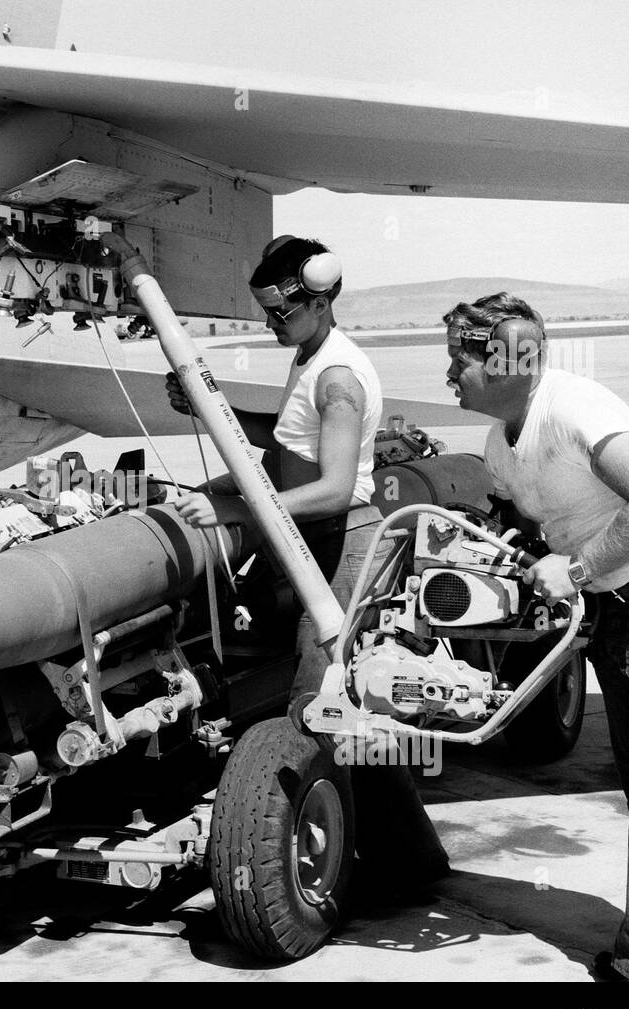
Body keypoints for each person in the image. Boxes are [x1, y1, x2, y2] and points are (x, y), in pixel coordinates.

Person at [443, 292, 629, 982]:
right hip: (622, 608)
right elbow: (532, 527)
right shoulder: (500, 441)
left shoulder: (576, 406)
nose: (449, 374)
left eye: (460, 358)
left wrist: (574, 569)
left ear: (508, 358)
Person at [168, 235, 450, 896]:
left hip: (346, 543)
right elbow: (290, 435)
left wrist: (241, 512)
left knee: (316, 708)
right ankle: (409, 862)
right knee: (351, 711)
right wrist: (220, 414)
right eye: (264, 312)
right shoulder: (310, 355)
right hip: (313, 544)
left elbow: (334, 484)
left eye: (282, 312)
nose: (272, 323)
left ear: (320, 299)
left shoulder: (339, 378)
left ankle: (330, 873)